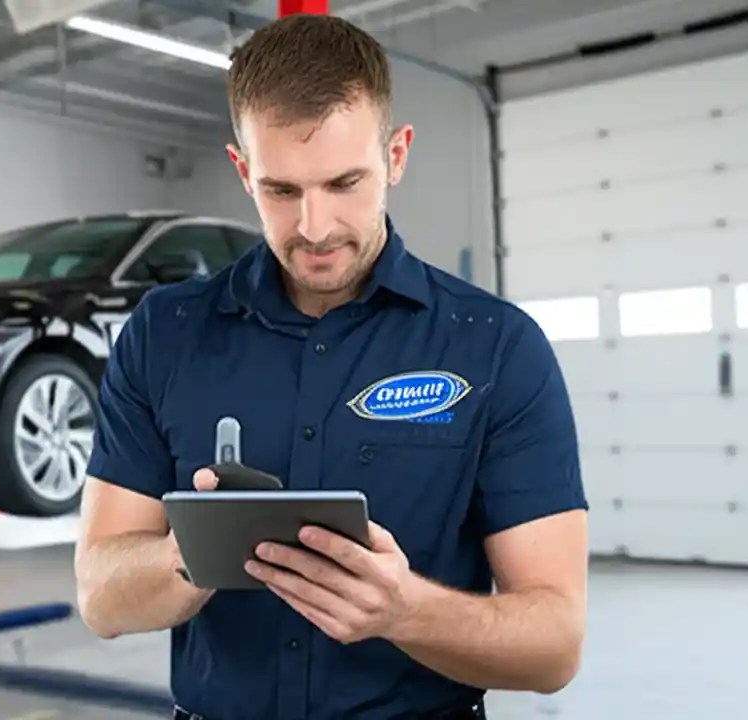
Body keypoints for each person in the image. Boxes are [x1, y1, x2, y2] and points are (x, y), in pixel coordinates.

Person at [73, 13, 589, 720]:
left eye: (345, 182)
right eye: (281, 191)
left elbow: (555, 644)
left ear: (397, 156)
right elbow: (100, 599)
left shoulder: (497, 347)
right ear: (242, 170)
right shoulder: (165, 335)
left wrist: (404, 610)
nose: (314, 228)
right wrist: (193, 554)